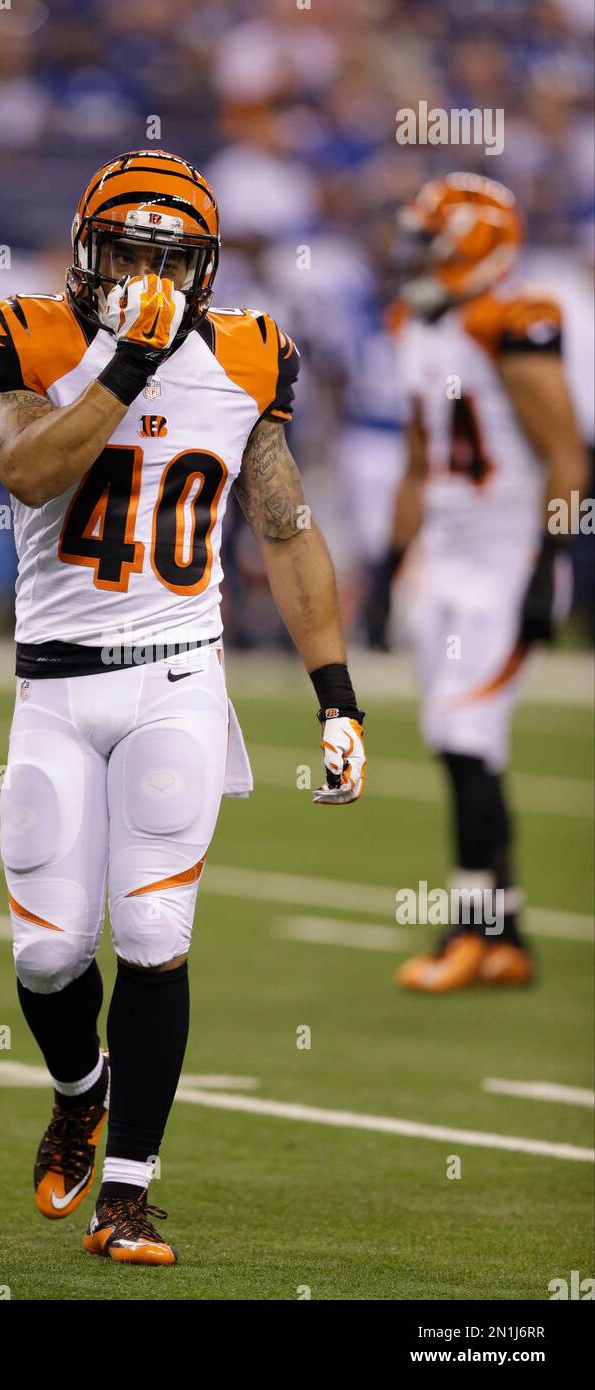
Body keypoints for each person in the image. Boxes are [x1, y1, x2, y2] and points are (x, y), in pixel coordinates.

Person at [0, 150, 366, 1265]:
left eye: (168, 256)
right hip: (51, 684)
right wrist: (124, 367)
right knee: (47, 959)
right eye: (127, 250)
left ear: (204, 266)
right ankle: (78, 1088)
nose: (145, 271)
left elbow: (283, 530)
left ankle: (128, 1197)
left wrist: (336, 696)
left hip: (177, 676)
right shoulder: (25, 335)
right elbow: (29, 473)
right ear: (86, 248)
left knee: (151, 932)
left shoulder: (248, 353)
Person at [366, 173, 587, 993]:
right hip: (446, 564)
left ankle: (465, 930)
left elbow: (568, 453)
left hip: (507, 563)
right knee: (462, 745)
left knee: (466, 740)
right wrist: (391, 566)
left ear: (474, 245)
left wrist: (556, 563)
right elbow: (421, 462)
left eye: (430, 240)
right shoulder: (415, 323)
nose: (414, 253)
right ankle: (507, 937)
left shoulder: (513, 320)